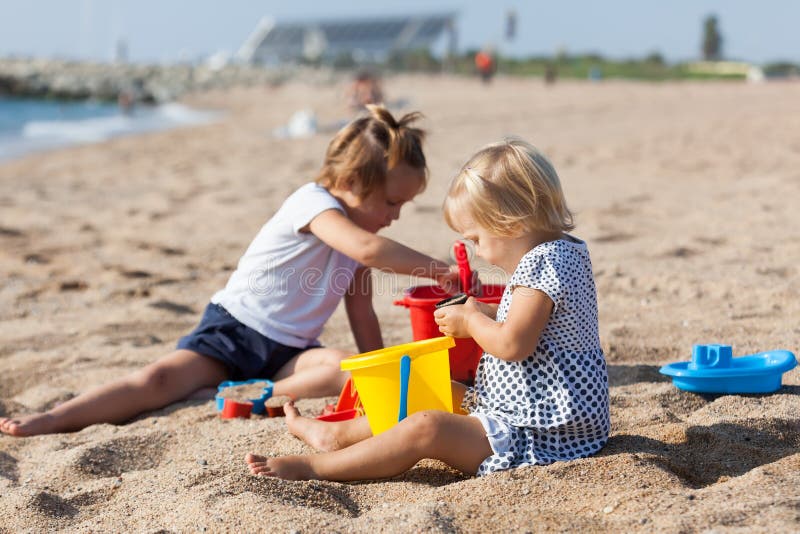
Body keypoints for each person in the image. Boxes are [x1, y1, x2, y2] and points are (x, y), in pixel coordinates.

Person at [0, 105, 462, 437]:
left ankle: (248, 392)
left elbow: (362, 313)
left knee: (345, 368)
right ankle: (53, 419)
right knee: (156, 382)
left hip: (288, 354)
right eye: (391, 202)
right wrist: (436, 269)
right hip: (233, 331)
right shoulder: (313, 203)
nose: (395, 215)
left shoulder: (357, 240)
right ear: (349, 182)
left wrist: (376, 374)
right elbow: (367, 249)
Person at [244, 137, 610, 481]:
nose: (479, 252)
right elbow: (539, 323)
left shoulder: (541, 264)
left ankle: (316, 467)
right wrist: (487, 309)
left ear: (510, 223)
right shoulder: (564, 253)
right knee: (427, 388)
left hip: (538, 434)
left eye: (477, 239)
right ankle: (338, 436)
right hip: (528, 412)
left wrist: (470, 320)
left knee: (427, 427)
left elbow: (514, 345)